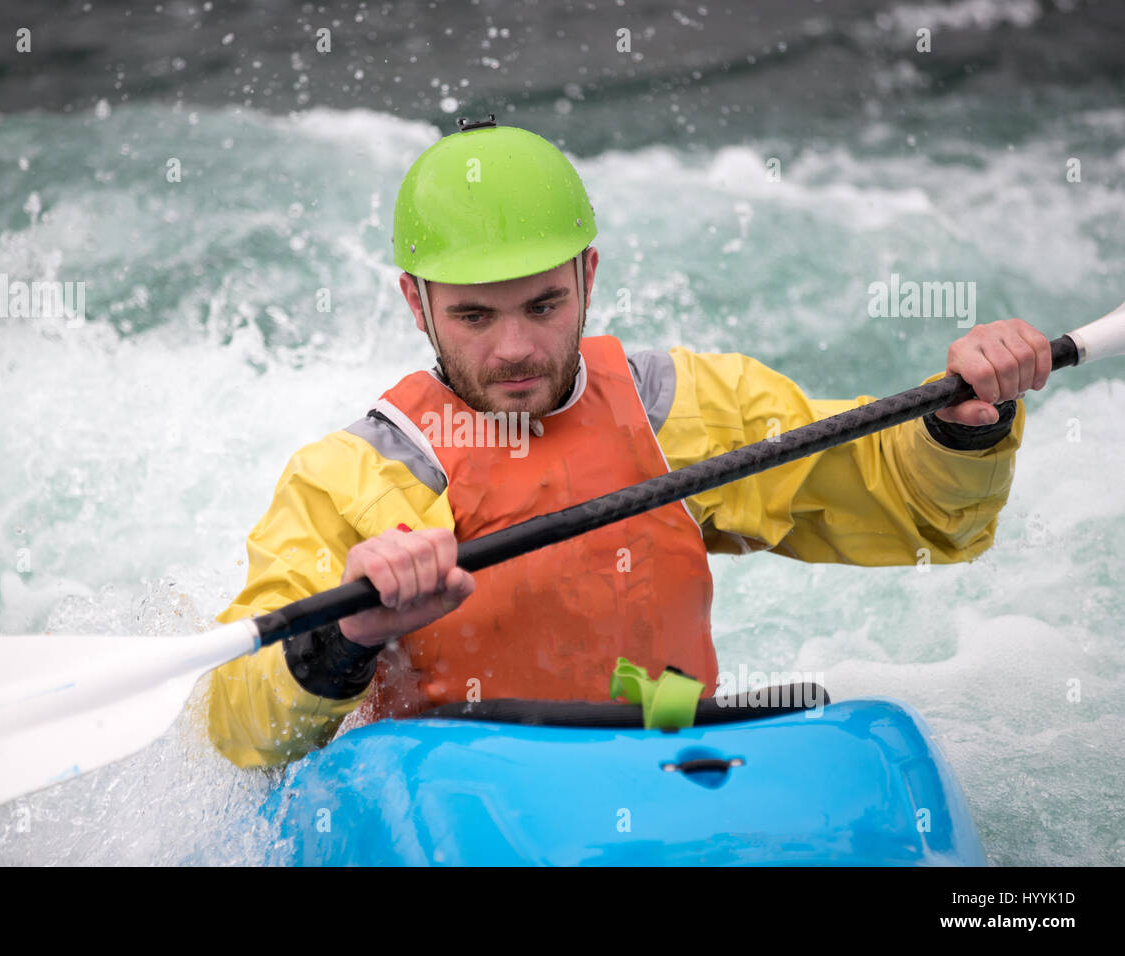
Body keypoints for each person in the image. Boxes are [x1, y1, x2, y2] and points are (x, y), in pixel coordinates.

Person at [206, 120, 1051, 769]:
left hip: (671, 771)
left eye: (543, 306)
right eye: (473, 315)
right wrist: (345, 635)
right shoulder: (353, 480)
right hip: (463, 801)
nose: (514, 351)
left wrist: (960, 432)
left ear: (589, 278)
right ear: (416, 304)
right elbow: (237, 726)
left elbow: (923, 521)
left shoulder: (679, 410)